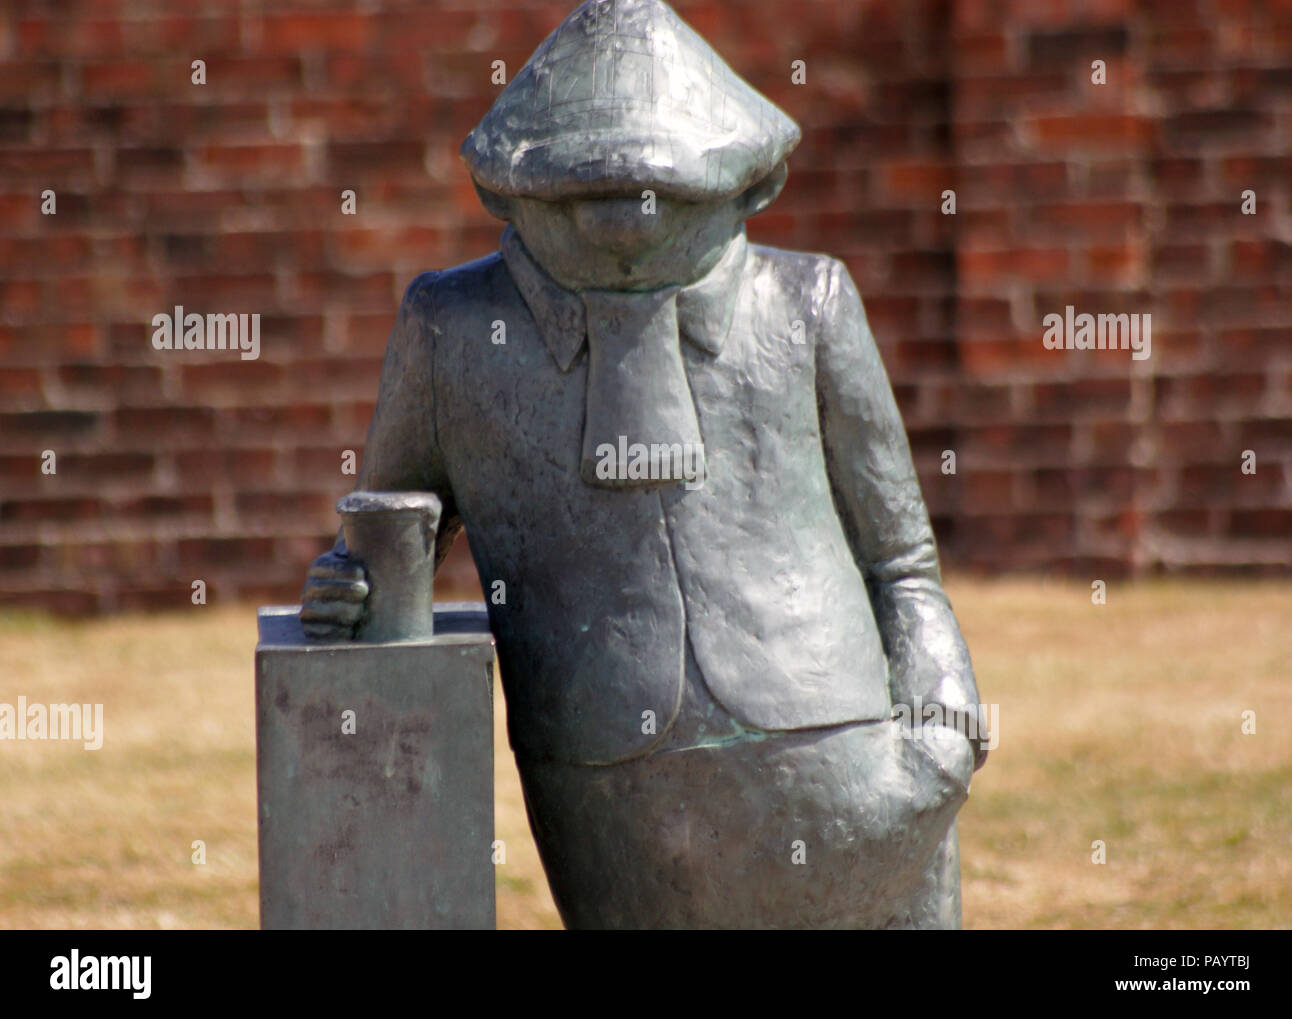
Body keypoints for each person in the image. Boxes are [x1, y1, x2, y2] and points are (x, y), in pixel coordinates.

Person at [301, 0, 986, 928]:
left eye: (670, 201)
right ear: (509, 194)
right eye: (587, 208)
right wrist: (346, 587)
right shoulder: (453, 332)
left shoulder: (807, 304)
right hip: (603, 781)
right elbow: (391, 532)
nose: (629, 236)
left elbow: (902, 562)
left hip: (847, 756)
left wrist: (942, 701)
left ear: (750, 187)